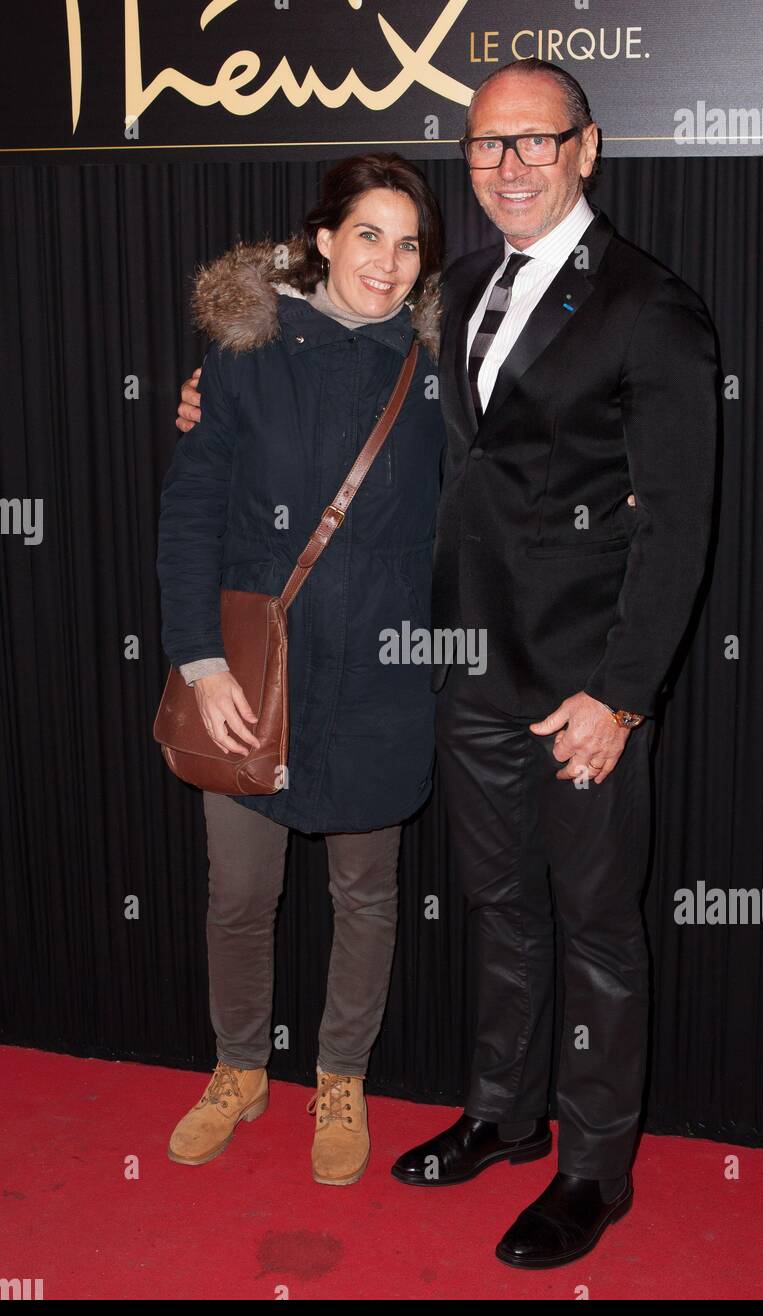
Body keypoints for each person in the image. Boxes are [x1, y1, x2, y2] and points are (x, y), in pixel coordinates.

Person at [387, 59, 719, 1270]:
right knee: (496, 910)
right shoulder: (463, 280)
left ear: (588, 148)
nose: (507, 166)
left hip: (581, 689)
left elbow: (678, 524)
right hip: (470, 665)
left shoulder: (647, 304)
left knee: (593, 931)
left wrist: (623, 696)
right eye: (485, 147)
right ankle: (500, 1113)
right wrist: (223, 389)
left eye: (534, 142)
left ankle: (592, 1168)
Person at [158, 152, 446, 1185]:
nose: (388, 259)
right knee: (238, 892)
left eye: (408, 242)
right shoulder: (245, 352)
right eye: (368, 233)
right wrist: (198, 663)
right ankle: (237, 1069)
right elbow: (192, 512)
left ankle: (340, 1077)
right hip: (252, 675)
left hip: (378, 676)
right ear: (322, 238)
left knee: (367, 894)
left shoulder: (438, 372)